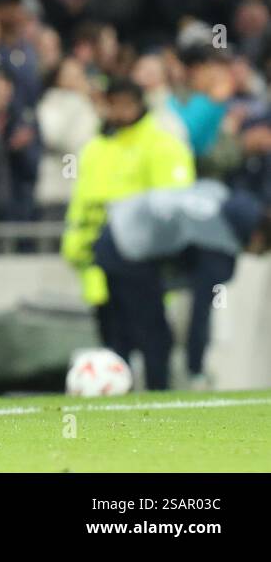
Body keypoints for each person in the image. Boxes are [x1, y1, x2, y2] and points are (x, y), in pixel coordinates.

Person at [94, 180, 268, 390]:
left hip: (116, 228)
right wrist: (195, 369)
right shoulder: (219, 246)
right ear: (257, 236)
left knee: (123, 334)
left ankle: (113, 395)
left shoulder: (219, 193)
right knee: (156, 339)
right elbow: (200, 311)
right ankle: (152, 404)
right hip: (128, 249)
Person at [62, 78, 195, 347]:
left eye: (126, 105)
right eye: (114, 105)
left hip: (143, 264)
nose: (120, 112)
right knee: (113, 343)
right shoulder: (95, 149)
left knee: (151, 340)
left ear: (140, 105)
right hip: (98, 260)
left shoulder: (161, 145)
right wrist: (74, 246)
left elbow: (171, 205)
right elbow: (81, 203)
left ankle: (159, 386)